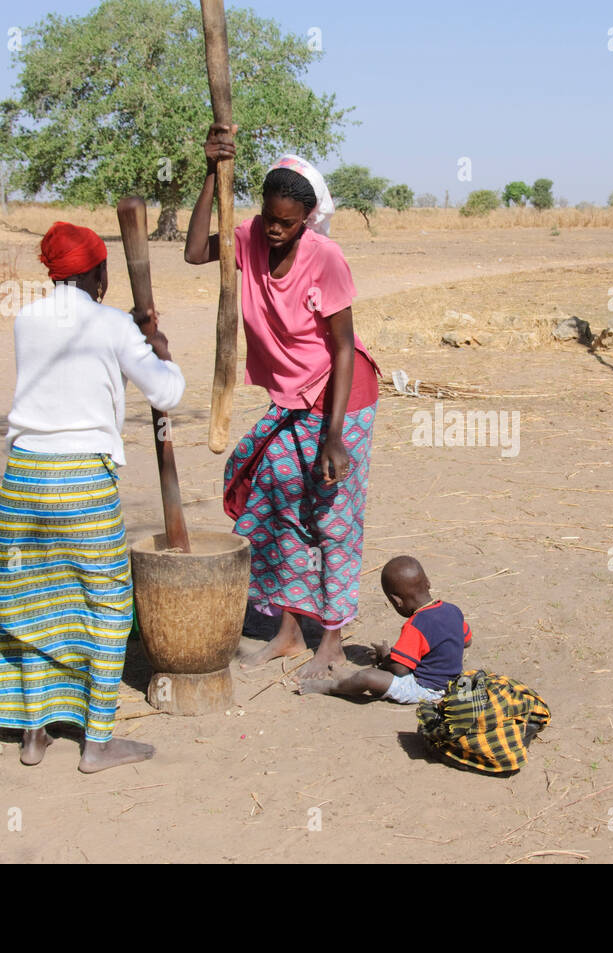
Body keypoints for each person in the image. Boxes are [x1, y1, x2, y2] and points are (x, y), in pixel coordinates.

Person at [0, 222, 185, 774]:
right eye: (103, 272)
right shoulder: (113, 323)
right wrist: (158, 349)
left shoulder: (26, 318)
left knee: (29, 600)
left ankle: (33, 733)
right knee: (107, 606)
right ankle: (97, 742)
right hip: (83, 485)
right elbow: (166, 391)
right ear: (97, 273)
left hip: (24, 478)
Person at [186, 124, 380, 680]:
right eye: (269, 218)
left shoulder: (325, 258)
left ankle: (333, 641)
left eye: (287, 223)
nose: (274, 230)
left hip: (339, 398)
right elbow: (197, 250)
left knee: (332, 517)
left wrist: (335, 435)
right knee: (280, 510)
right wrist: (210, 171)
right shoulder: (248, 237)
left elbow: (343, 349)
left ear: (308, 219)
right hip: (289, 399)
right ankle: (290, 631)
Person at [298, 556, 472, 704]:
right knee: (372, 675)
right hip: (452, 682)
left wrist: (387, 657)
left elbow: (401, 670)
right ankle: (348, 677)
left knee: (368, 677)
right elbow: (466, 641)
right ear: (428, 583)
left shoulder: (417, 624)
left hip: (425, 688)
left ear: (397, 601)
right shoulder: (453, 610)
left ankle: (331, 687)